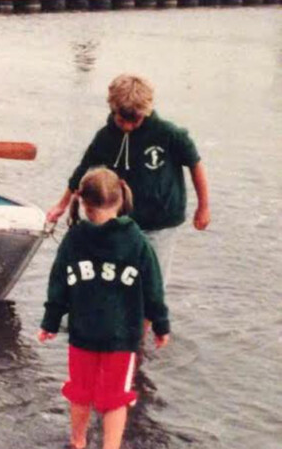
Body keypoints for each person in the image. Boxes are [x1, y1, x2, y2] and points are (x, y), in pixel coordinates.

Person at [38, 167, 170, 449]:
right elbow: (154, 288)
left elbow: (58, 282)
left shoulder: (73, 239)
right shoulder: (138, 242)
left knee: (80, 392)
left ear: (83, 204)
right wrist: (161, 325)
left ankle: (78, 442)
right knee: (115, 398)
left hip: (82, 333)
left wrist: (50, 322)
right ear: (121, 200)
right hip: (122, 338)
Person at [46, 74, 211, 285]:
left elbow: (195, 165)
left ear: (146, 111)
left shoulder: (170, 134)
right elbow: (82, 170)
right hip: (120, 221)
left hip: (160, 223)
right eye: (122, 120)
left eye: (135, 120)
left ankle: (148, 317)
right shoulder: (106, 137)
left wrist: (203, 207)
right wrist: (62, 205)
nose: (127, 126)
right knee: (117, 280)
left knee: (152, 284)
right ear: (113, 110)